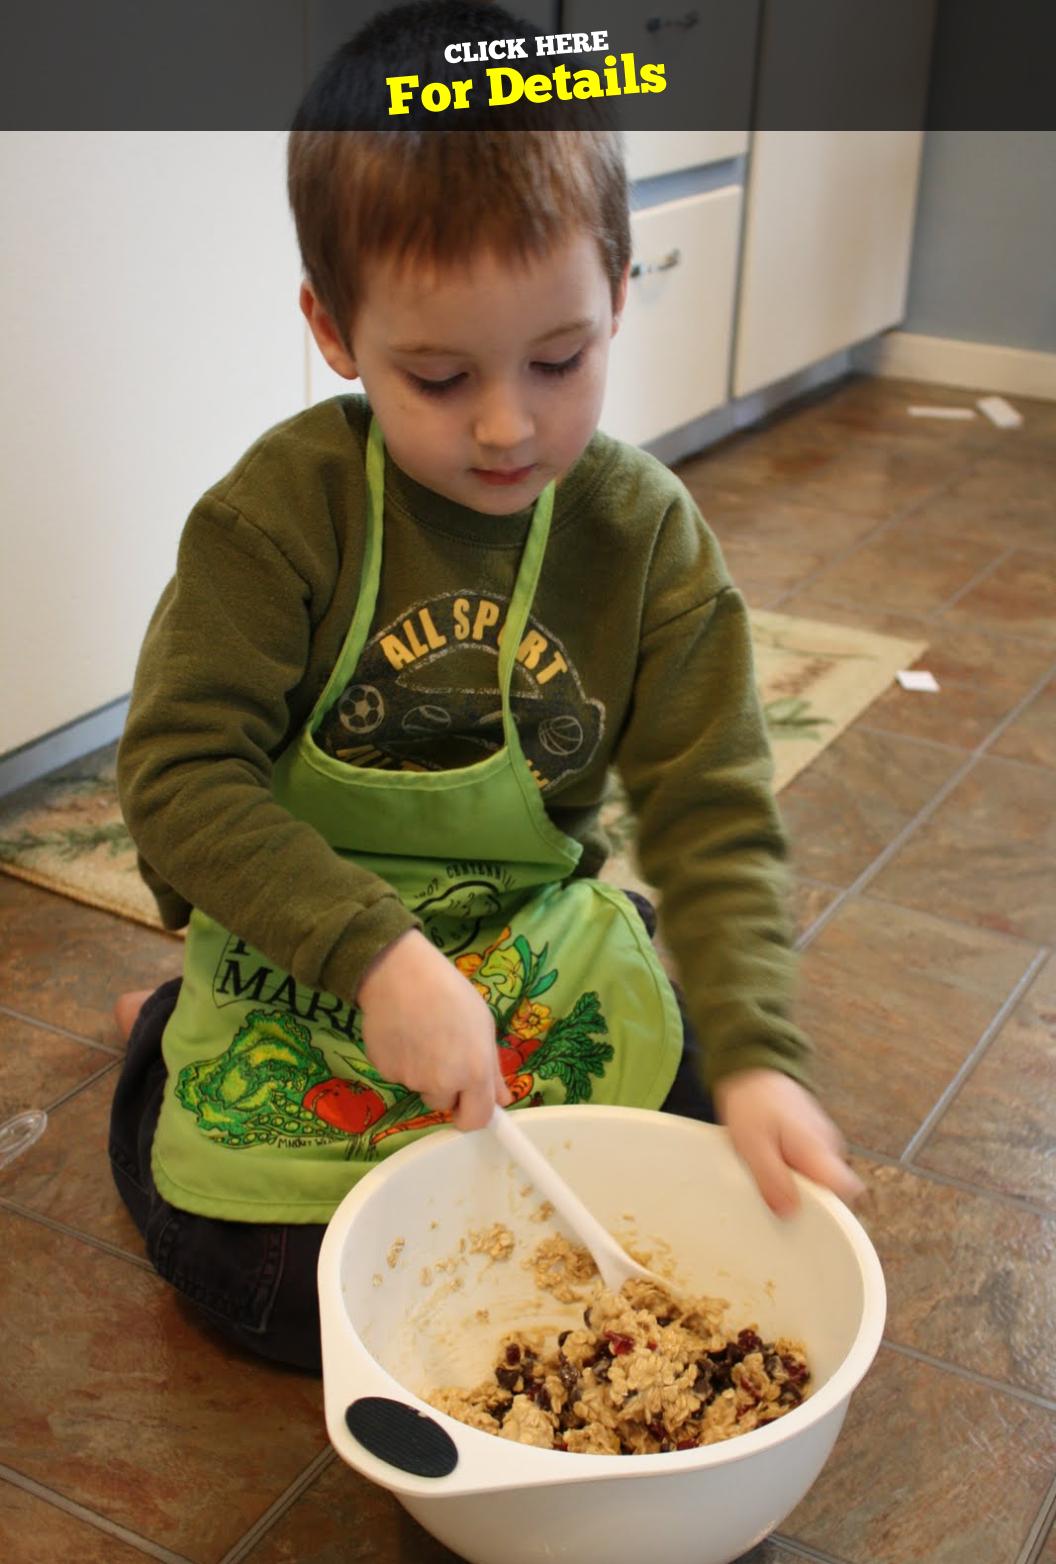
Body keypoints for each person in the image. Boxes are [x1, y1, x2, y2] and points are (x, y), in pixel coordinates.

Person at [109, 0, 862, 1374]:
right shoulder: (278, 517)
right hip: (310, 948)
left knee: (693, 1143)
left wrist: (757, 1056)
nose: (510, 425)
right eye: (441, 376)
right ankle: (166, 1032)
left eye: (561, 361)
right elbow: (172, 782)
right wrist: (371, 955)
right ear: (334, 331)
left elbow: (713, 809)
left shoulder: (645, 539)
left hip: (511, 926)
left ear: (622, 290)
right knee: (280, 1292)